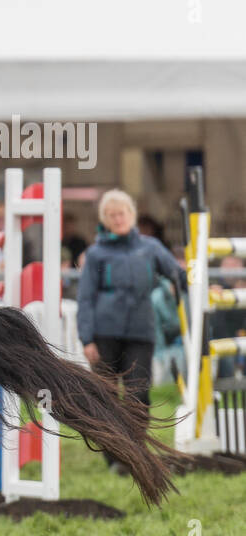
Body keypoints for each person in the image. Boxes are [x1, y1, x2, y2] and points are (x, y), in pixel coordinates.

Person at [76, 189, 186, 474]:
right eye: (111, 215)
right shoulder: (97, 254)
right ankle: (113, 457)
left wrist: (194, 280)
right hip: (104, 333)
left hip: (141, 332)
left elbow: (176, 272)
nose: (118, 218)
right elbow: (85, 298)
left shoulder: (150, 247)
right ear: (105, 220)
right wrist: (86, 339)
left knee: (139, 393)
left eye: (122, 213)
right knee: (106, 395)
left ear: (131, 215)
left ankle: (134, 453)